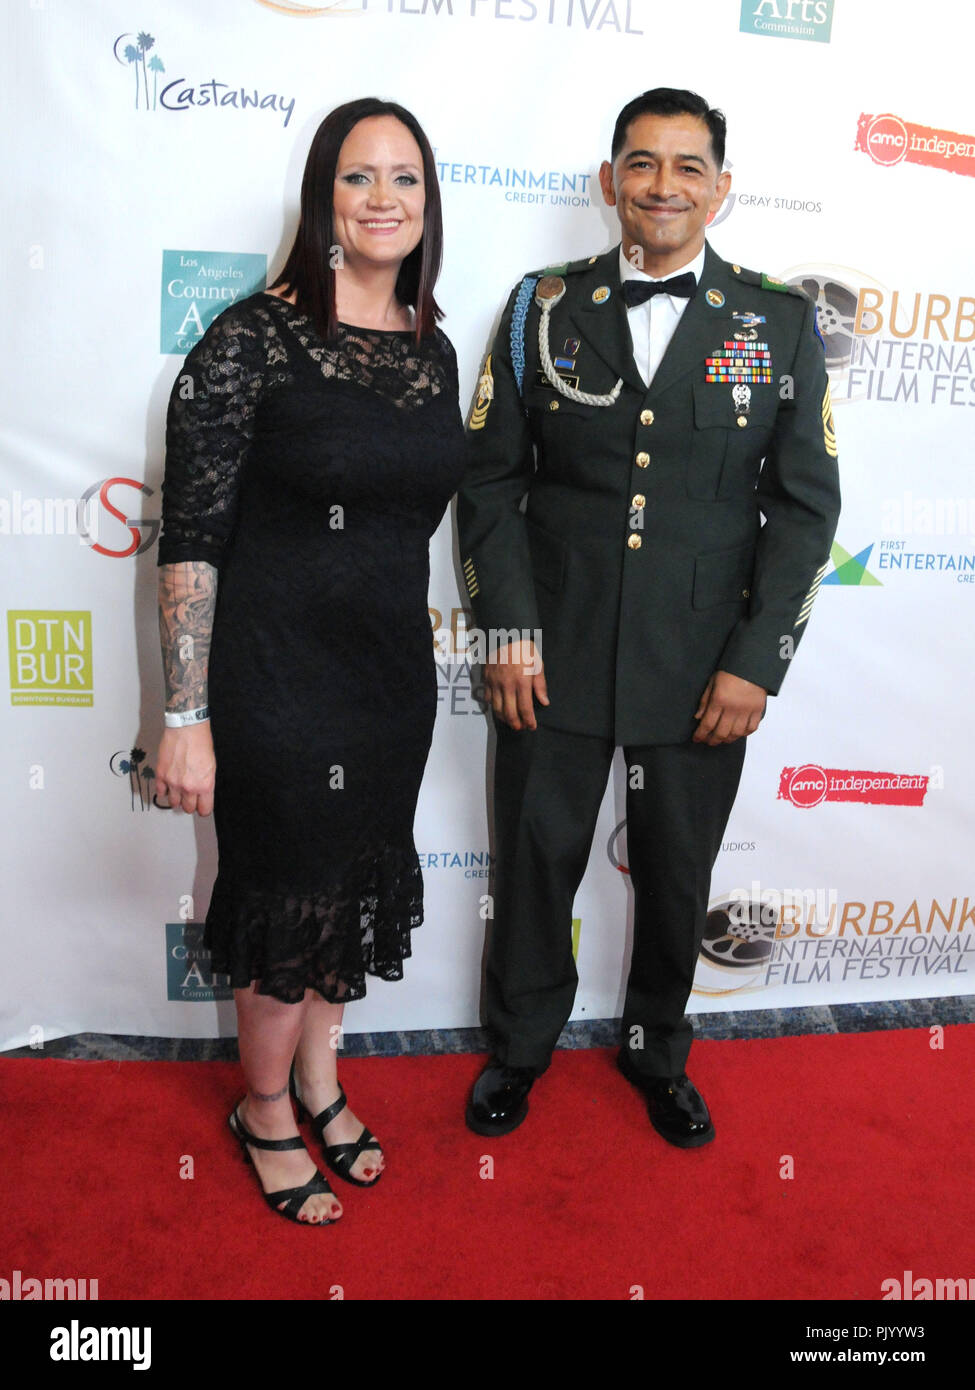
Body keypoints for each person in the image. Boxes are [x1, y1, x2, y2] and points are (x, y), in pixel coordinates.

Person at [456, 88, 841, 1146]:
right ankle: (522, 1044)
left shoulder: (780, 322)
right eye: (641, 164)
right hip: (553, 646)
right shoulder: (541, 306)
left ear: (721, 188)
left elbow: (806, 510)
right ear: (608, 182)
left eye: (685, 166)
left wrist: (756, 662)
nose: (662, 186)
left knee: (678, 867)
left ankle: (657, 1050)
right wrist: (507, 627)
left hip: (701, 659)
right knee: (535, 856)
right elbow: (490, 483)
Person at [155, 98, 465, 1224]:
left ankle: (326, 1082)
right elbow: (190, 536)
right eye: (357, 177)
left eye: (406, 179)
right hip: (274, 677)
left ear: (430, 202)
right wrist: (184, 714)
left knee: (354, 884)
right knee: (286, 895)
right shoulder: (251, 338)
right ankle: (266, 1109)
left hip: (388, 681)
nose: (383, 199)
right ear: (321, 197)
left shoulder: (436, 351)